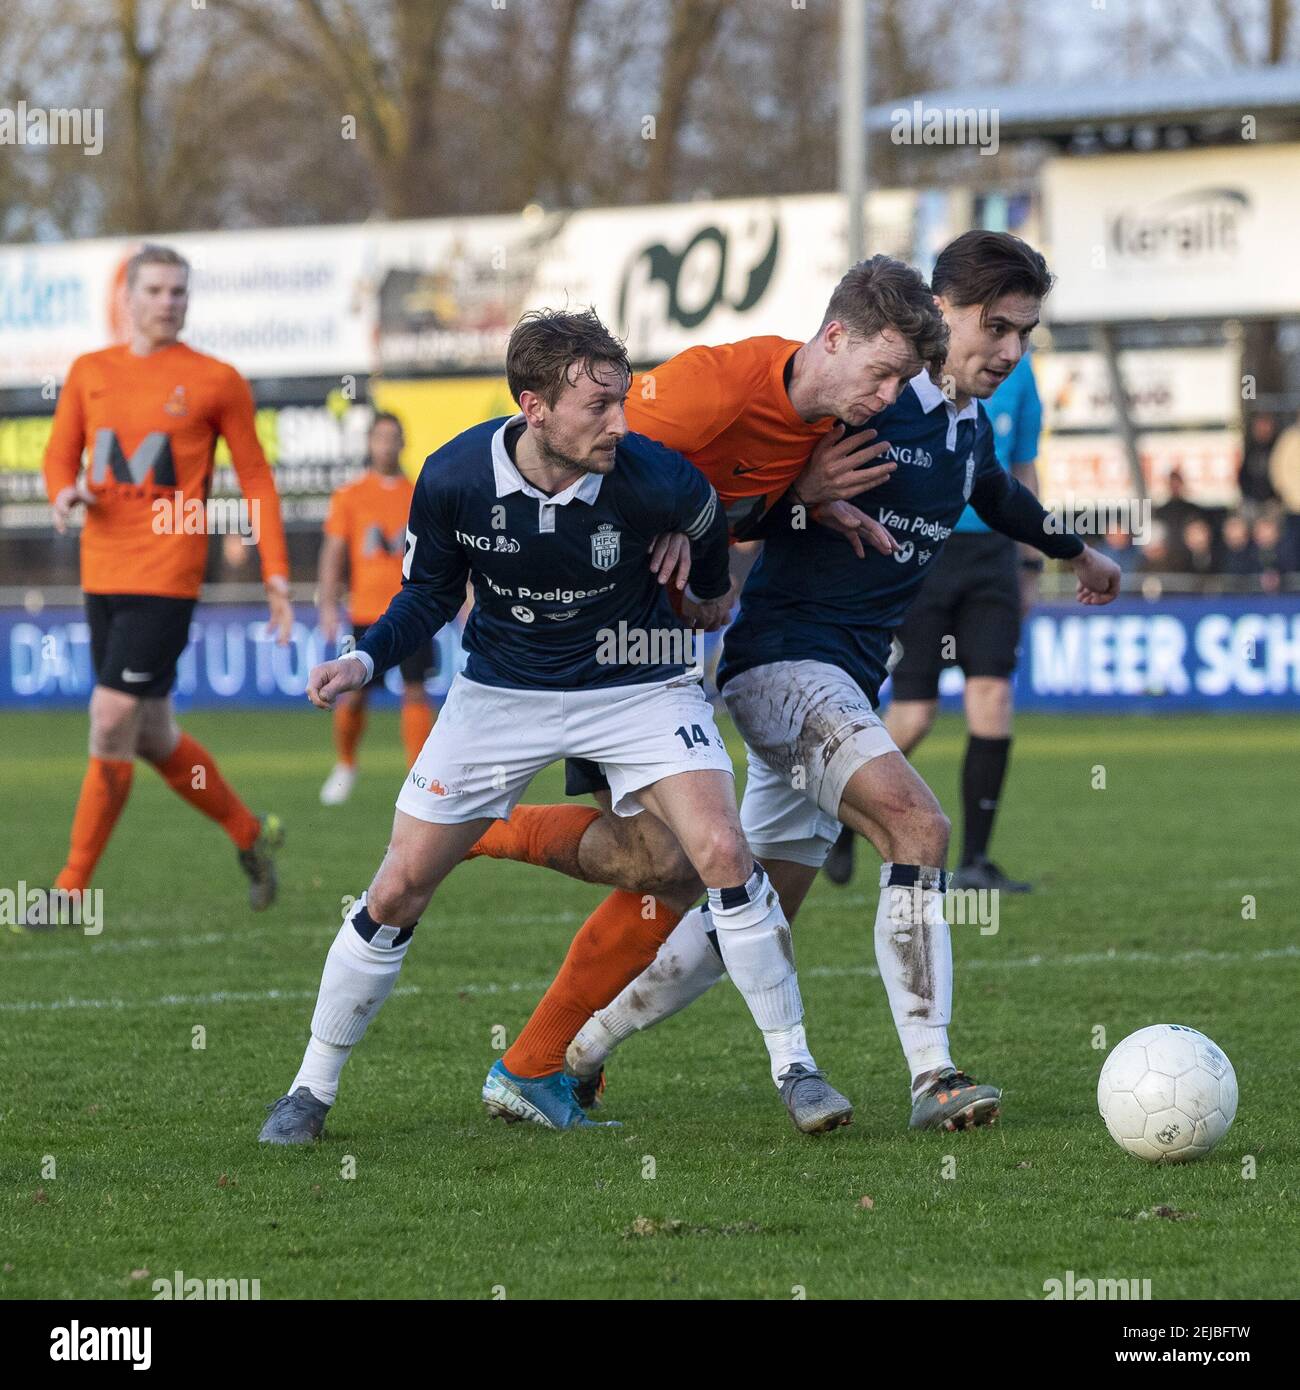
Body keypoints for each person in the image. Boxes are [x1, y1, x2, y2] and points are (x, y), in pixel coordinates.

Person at [562, 232, 1121, 1132]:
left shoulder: (965, 422)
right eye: (997, 326)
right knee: (917, 824)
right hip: (782, 662)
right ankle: (934, 1074)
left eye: (1027, 332)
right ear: (942, 312)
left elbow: (994, 493)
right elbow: (724, 486)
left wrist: (1076, 551)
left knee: (750, 911)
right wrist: (788, 496)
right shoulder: (861, 403)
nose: (1012, 351)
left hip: (843, 679)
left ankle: (581, 1053)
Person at [257, 308, 859, 1144]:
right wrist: (365, 660)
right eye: (597, 407)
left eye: (622, 399)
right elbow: (428, 595)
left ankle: (796, 1069)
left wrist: (698, 585)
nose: (620, 423)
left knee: (716, 852)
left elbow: (712, 551)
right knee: (397, 887)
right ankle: (309, 1091)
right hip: (502, 691)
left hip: (639, 680)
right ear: (533, 407)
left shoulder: (658, 477)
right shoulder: (455, 476)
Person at [457, 257, 949, 1120]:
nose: (887, 397)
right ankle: (476, 839)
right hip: (597, 641)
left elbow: (725, 505)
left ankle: (535, 1056)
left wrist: (785, 502)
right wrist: (704, 526)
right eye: (882, 374)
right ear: (833, 338)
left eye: (904, 382)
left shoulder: (817, 420)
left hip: (661, 646)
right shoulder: (708, 390)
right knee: (671, 860)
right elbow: (576, 471)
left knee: (667, 861)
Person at [41, 244, 291, 913]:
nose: (168, 302)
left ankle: (70, 893)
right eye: (155, 290)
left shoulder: (216, 379)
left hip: (168, 576)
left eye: (179, 291)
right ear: (127, 296)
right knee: (150, 734)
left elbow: (256, 478)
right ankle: (249, 831)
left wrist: (275, 572)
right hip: (102, 573)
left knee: (110, 714)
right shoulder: (90, 371)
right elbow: (59, 456)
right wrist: (63, 495)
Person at [824, 344, 1046, 893]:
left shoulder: (1019, 376)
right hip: (926, 548)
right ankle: (845, 813)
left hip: (993, 555)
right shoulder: (918, 376)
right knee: (915, 713)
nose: (1008, 343)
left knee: (993, 696)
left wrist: (1032, 560)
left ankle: (975, 860)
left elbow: (1023, 466)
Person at [317, 411, 437, 804]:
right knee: (353, 693)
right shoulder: (349, 495)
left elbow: (442, 553)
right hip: (365, 612)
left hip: (412, 609)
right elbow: (334, 552)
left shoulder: (419, 492)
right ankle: (346, 764)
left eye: (393, 437)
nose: (387, 444)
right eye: (380, 437)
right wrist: (329, 605)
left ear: (403, 442)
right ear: (370, 443)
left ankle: (416, 775)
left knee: (416, 691)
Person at [1267, 413, 1300, 570]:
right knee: (1292, 546)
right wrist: (1283, 492)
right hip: (1292, 504)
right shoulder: (1288, 439)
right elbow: (1277, 468)